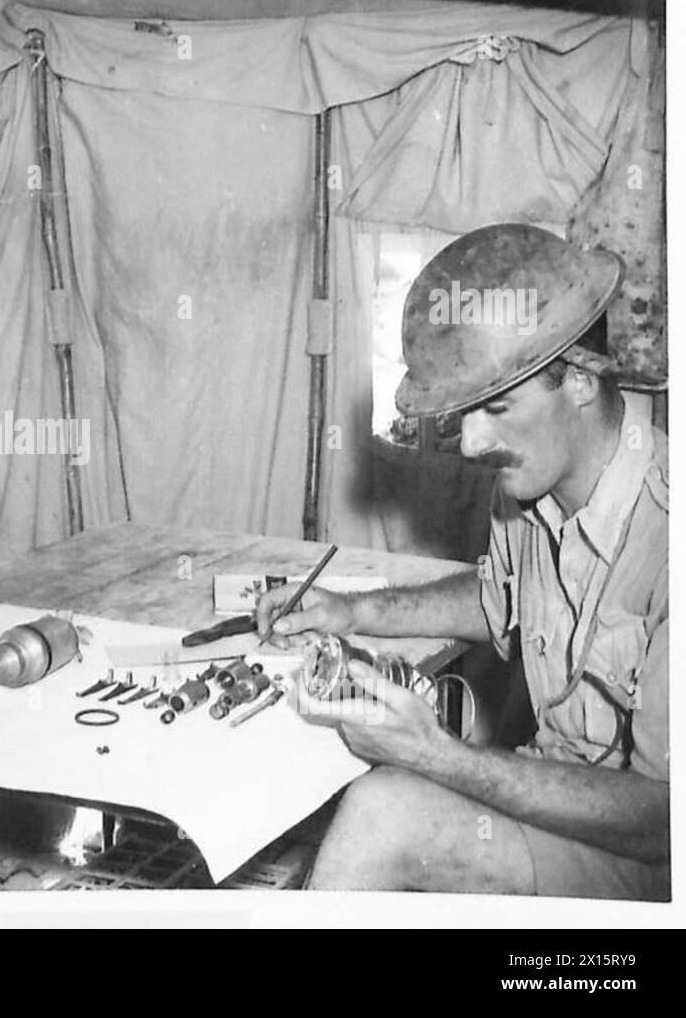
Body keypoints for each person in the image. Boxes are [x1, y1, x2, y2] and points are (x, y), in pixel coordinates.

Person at [256, 224, 669, 900]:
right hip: (561, 803)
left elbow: (664, 821)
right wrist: (352, 609)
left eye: (497, 408)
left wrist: (442, 757)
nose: (474, 442)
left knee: (382, 812)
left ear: (585, 383)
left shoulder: (667, 536)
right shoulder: (529, 487)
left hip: (651, 869)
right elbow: (497, 597)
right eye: (465, 414)